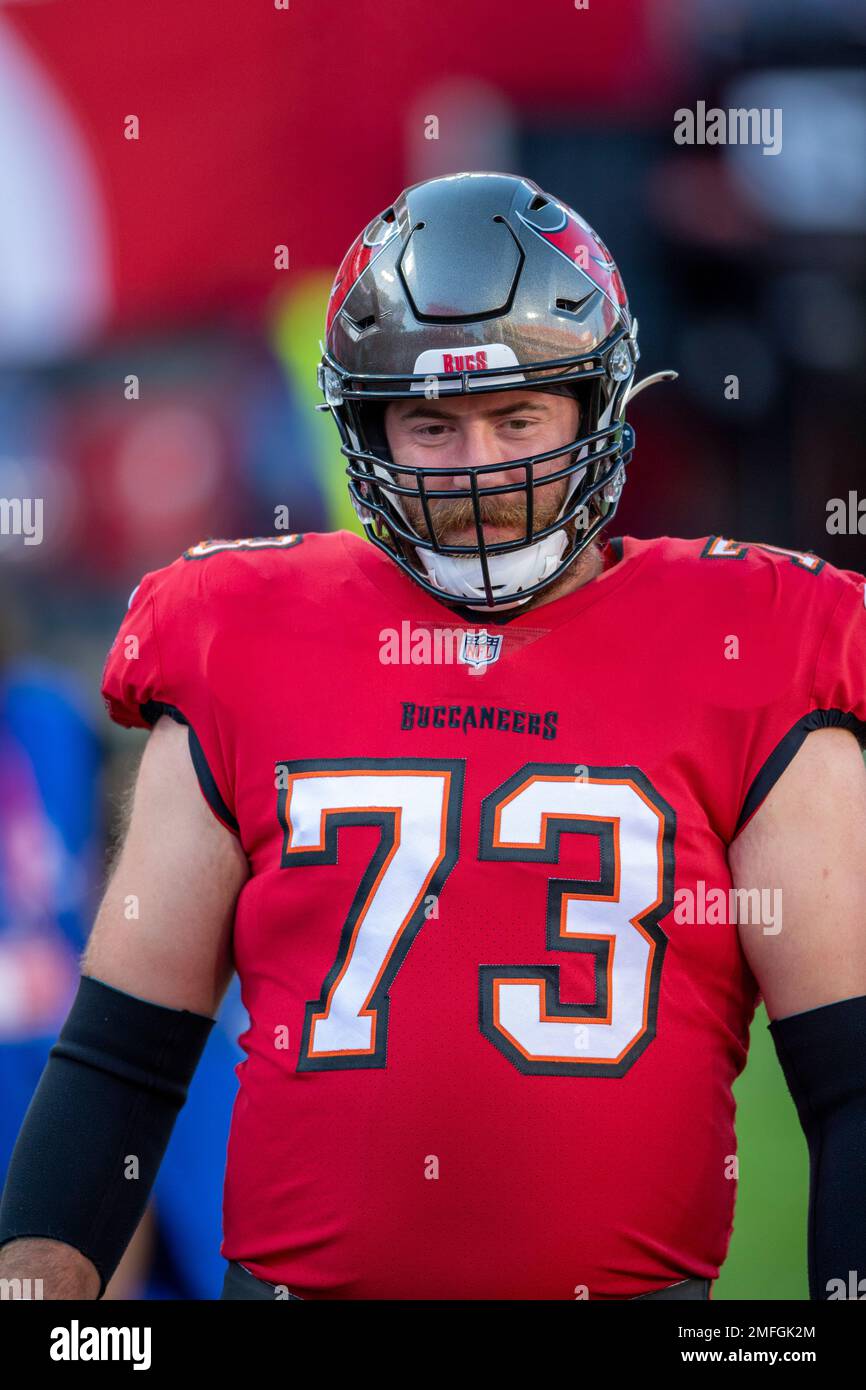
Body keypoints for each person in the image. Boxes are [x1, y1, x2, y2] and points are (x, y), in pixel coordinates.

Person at [1, 171, 865, 1301]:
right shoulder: (235, 635)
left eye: (517, 416)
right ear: (364, 427)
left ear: (596, 406)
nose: (479, 473)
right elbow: (123, 1058)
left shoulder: (751, 640)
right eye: (431, 423)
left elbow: (847, 1082)